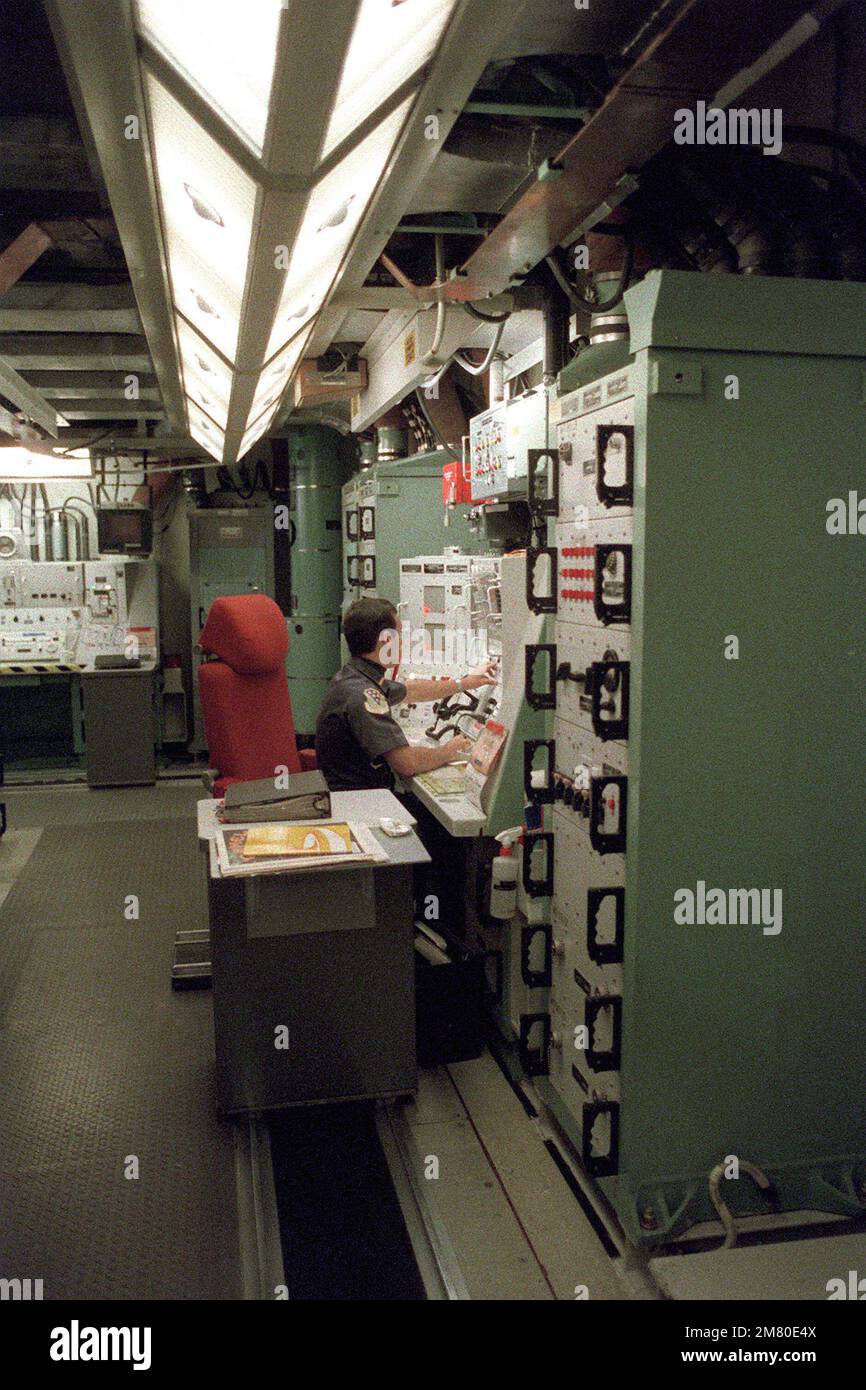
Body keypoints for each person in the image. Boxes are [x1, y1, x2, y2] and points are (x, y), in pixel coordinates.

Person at [315, 596, 497, 793]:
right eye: (399, 636)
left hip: (356, 794)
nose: (402, 644)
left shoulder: (354, 676)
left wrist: (465, 683)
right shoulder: (364, 694)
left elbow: (410, 690)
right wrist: (448, 752)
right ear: (385, 641)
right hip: (361, 802)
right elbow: (406, 763)